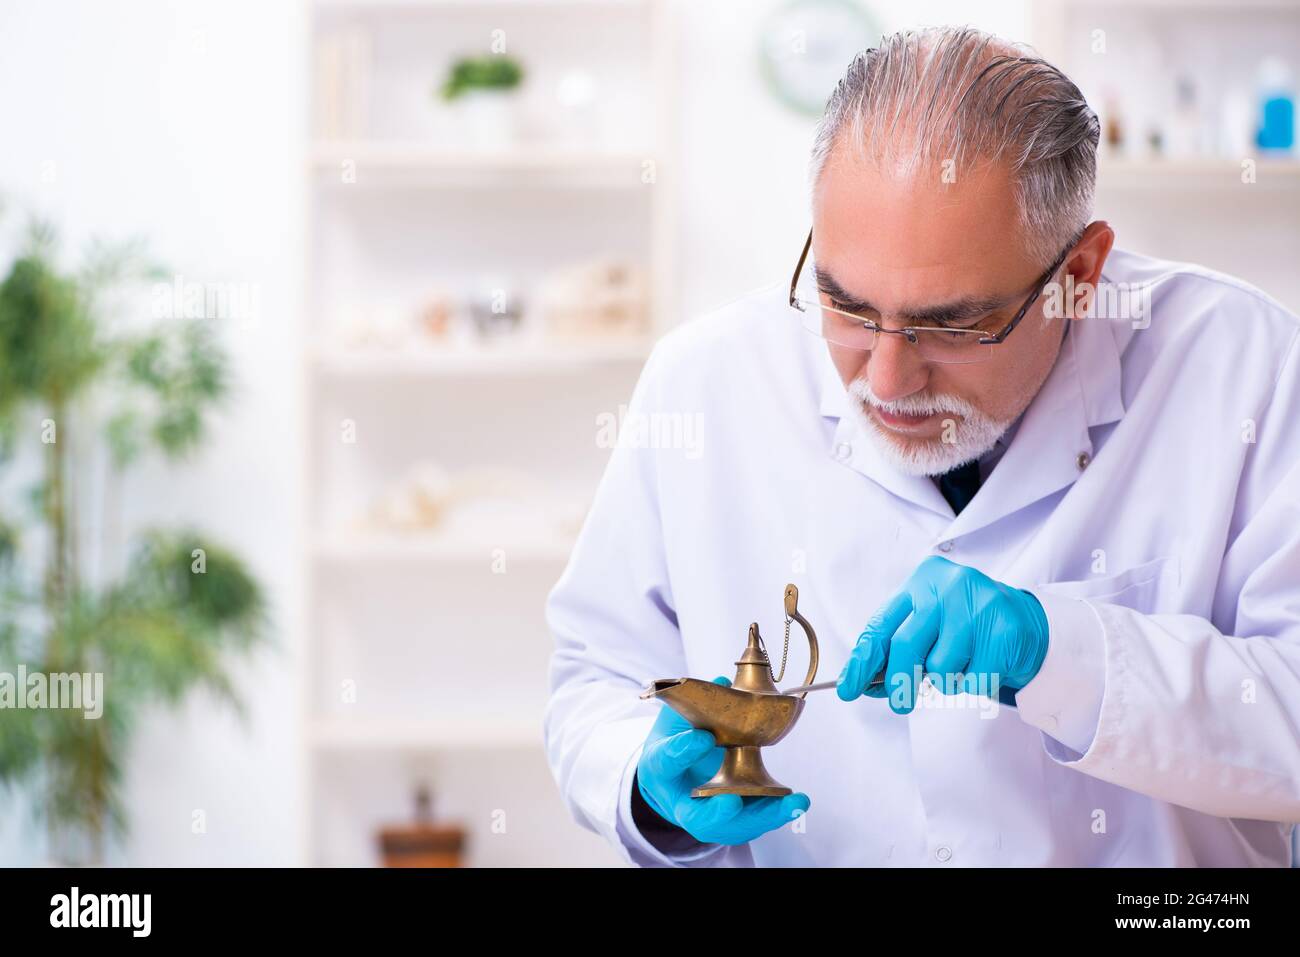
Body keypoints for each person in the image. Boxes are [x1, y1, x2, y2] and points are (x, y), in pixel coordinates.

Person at [543, 25, 1300, 866]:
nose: (889, 380)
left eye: (952, 324)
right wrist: (645, 788)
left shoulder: (1246, 367)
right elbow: (594, 675)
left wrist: (1070, 651)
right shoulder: (703, 382)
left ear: (1079, 276)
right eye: (847, 305)